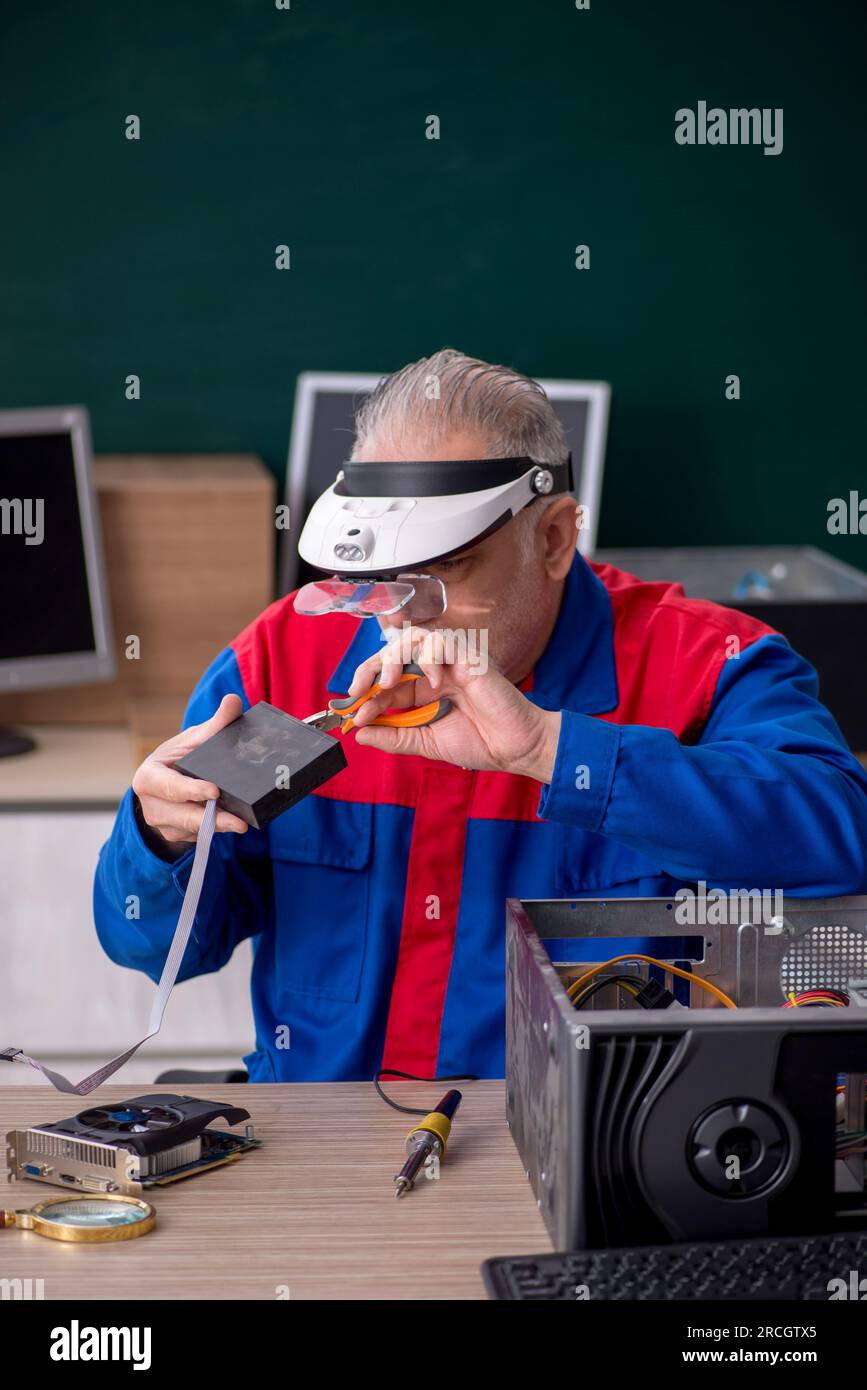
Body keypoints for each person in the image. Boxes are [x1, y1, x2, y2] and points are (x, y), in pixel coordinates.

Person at [94, 349, 867, 1081]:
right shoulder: (276, 662)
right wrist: (157, 839)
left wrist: (552, 752)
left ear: (556, 537)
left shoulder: (706, 663)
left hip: (592, 1136)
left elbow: (839, 839)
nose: (401, 619)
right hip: (324, 1135)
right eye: (378, 581)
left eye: (443, 572)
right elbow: (150, 948)